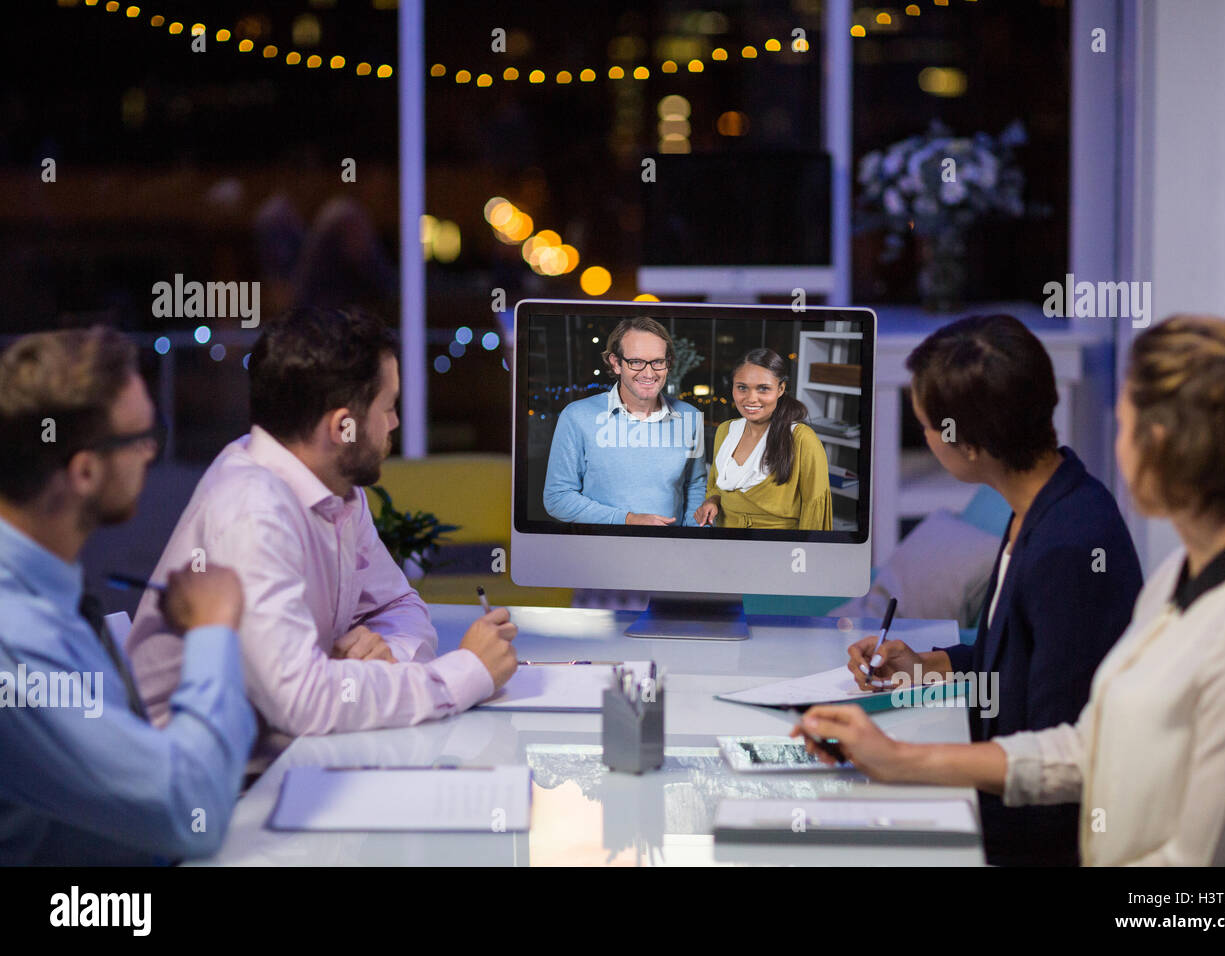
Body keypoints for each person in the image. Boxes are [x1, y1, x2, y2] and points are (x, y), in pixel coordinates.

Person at [800, 315, 1225, 866]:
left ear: (1161, 444)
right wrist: (899, 756)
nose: (1119, 444)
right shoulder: (1183, 572)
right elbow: (1086, 748)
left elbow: (1201, 883)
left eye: (1125, 425)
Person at [126, 308, 518, 762]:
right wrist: (463, 673)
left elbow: (400, 605)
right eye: (388, 408)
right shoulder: (252, 510)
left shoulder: (332, 487)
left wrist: (387, 652)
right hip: (203, 780)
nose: (395, 424)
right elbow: (302, 701)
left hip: (283, 751)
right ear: (341, 427)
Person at [843, 314, 1141, 866]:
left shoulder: (1069, 549)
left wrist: (904, 765)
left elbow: (1058, 764)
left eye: (927, 427)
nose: (926, 438)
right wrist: (925, 666)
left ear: (971, 446)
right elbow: (1024, 666)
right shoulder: (1044, 500)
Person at [0, 327, 255, 864]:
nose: (148, 453)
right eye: (140, 439)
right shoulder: (16, 641)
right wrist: (213, 629)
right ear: (85, 471)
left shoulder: (46, 586)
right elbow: (188, 811)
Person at [543, 316, 707, 526]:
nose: (649, 373)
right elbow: (557, 498)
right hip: (601, 550)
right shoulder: (576, 416)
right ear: (616, 363)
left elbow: (695, 486)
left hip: (670, 551)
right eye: (636, 362)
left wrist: (690, 538)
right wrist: (627, 519)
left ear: (668, 364)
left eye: (658, 362)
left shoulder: (690, 417)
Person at [694, 349, 832, 530]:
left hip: (778, 550)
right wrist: (712, 501)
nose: (751, 399)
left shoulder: (801, 439)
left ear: (780, 389)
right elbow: (715, 488)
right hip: (726, 543)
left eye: (763, 388)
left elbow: (815, 513)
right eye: (742, 387)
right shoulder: (725, 431)